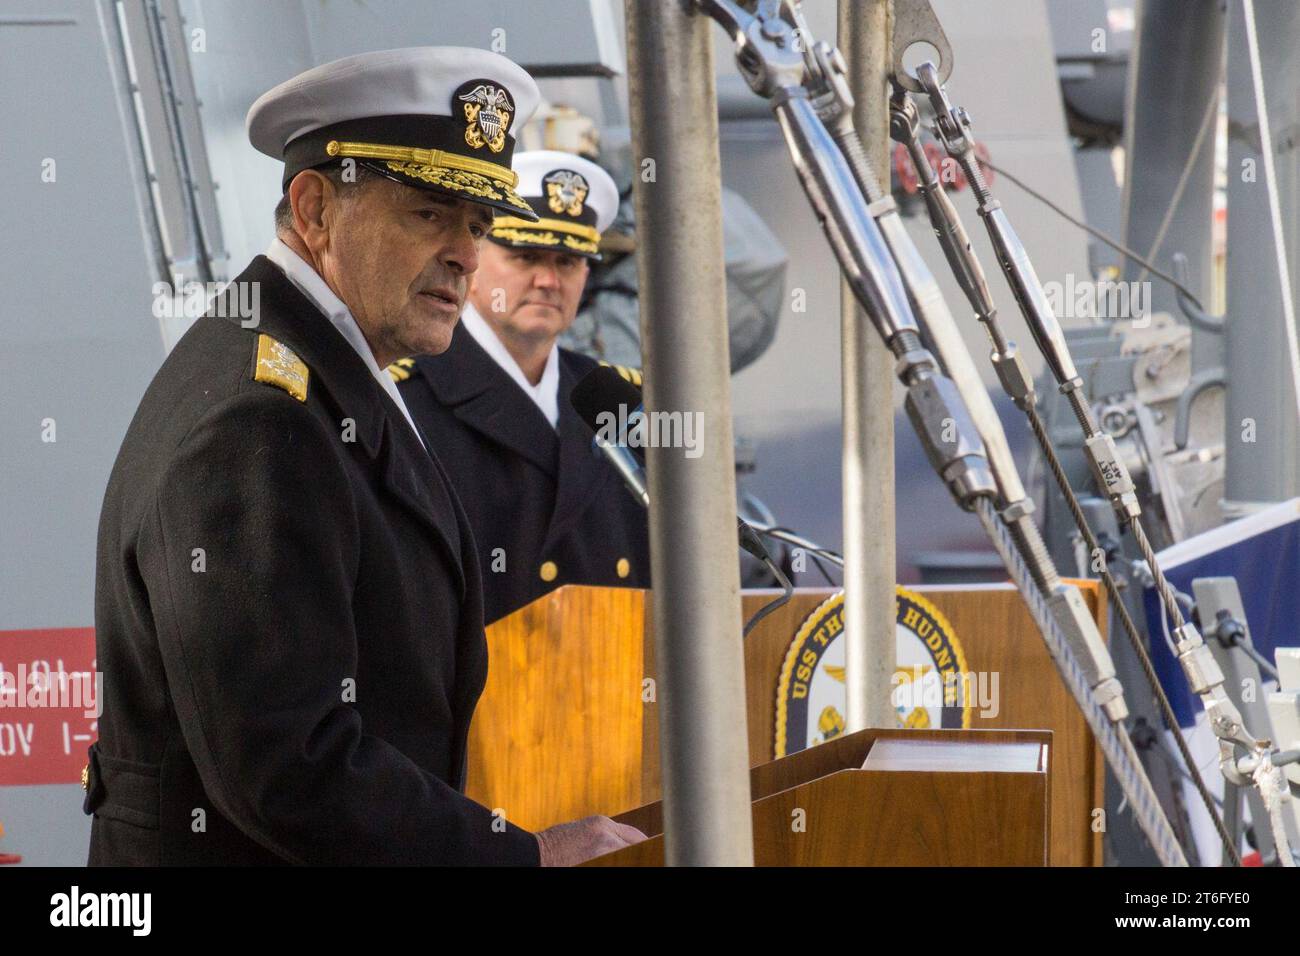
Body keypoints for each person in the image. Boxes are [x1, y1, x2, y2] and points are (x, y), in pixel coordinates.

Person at [86, 47, 643, 866]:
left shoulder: (320, 375)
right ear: (314, 209)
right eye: (429, 213)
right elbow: (289, 765)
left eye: (479, 225)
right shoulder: (258, 415)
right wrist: (524, 859)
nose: (464, 253)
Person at [391, 150, 650, 624]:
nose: (549, 280)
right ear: (472, 259)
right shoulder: (408, 399)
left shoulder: (617, 401)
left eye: (568, 261)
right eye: (526, 256)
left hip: (617, 685)